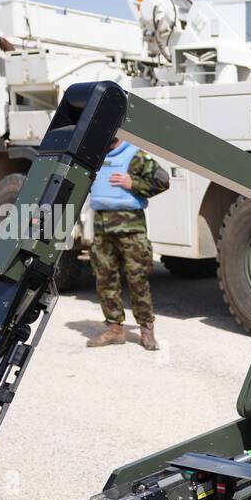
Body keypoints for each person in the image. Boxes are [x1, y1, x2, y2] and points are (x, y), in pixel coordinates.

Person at [86, 138, 170, 350]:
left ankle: (146, 330)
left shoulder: (135, 155)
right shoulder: (97, 155)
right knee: (105, 279)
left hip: (130, 228)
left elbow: (163, 180)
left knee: (137, 279)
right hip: (102, 227)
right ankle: (114, 329)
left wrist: (133, 183)